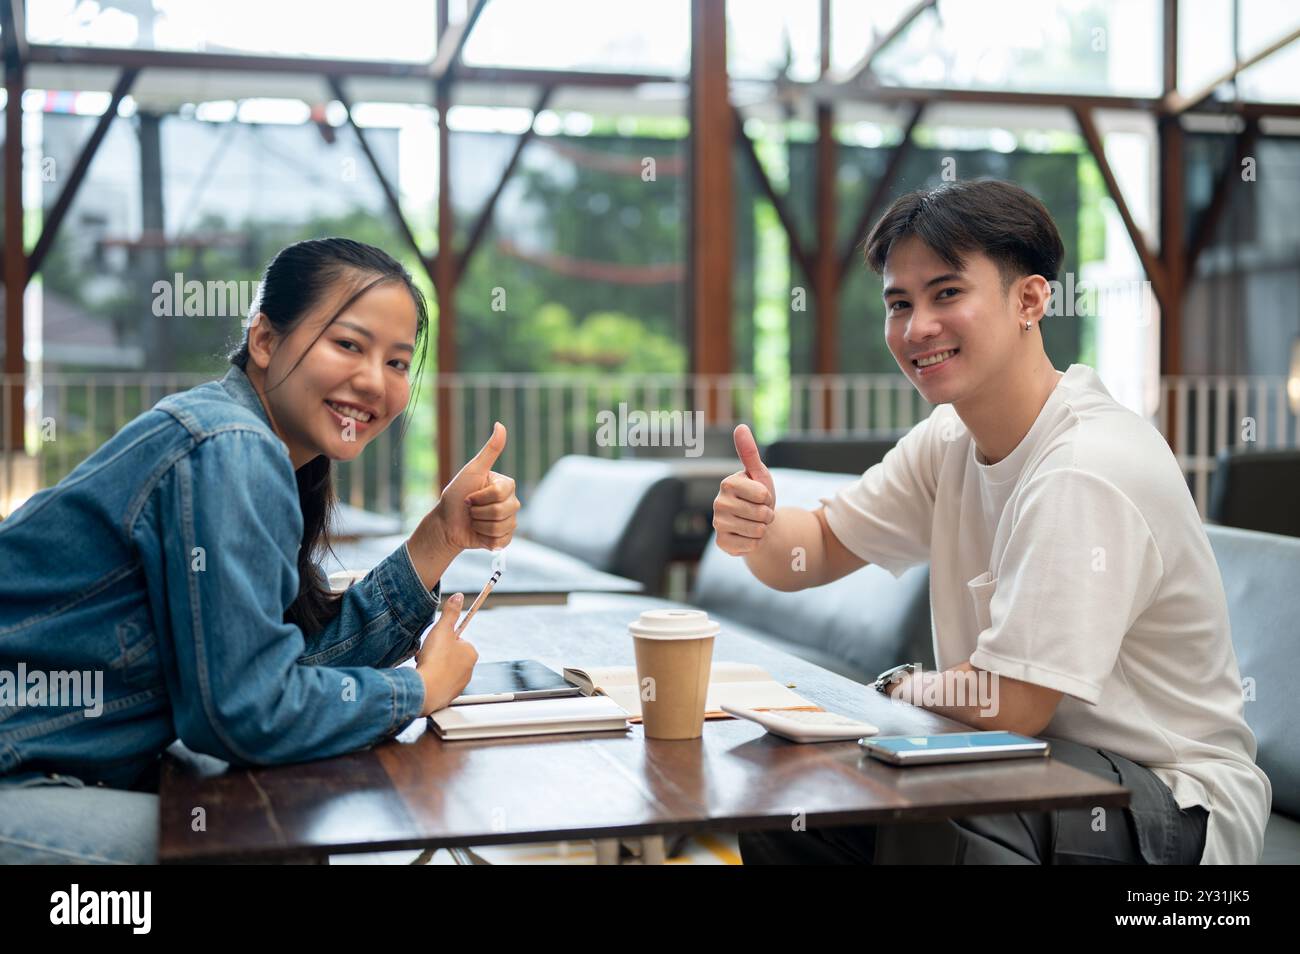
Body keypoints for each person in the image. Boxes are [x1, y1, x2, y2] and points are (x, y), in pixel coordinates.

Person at [716, 180, 1271, 865]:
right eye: (899, 303)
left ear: (1030, 300)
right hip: (1027, 761)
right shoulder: (948, 438)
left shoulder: (1084, 465)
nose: (917, 327)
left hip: (1171, 804)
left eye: (946, 293)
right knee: (794, 789)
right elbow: (820, 548)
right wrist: (760, 525)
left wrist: (897, 689)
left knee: (948, 802)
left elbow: (1013, 703)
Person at [0, 237, 520, 863]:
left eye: (397, 362)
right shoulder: (231, 447)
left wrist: (442, 535)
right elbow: (243, 713)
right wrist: (419, 690)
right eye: (348, 344)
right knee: (262, 845)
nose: (372, 380)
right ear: (266, 341)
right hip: (19, 776)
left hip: (55, 764)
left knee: (275, 828)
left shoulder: (257, 447)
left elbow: (287, 668)